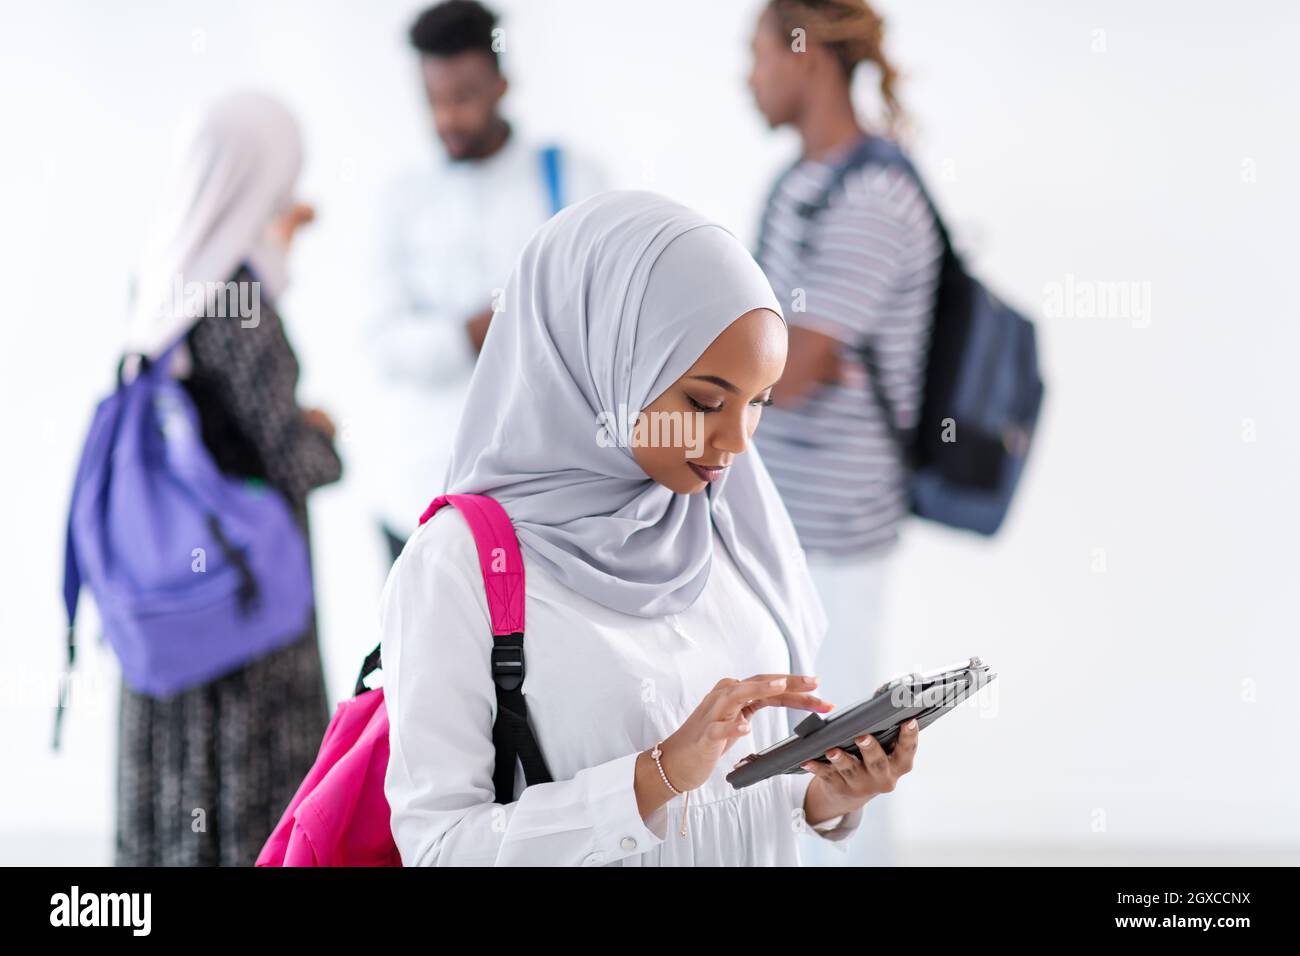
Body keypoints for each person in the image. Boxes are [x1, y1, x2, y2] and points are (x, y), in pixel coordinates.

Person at [379, 190, 921, 866]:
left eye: (758, 403)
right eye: (704, 400)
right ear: (601, 356)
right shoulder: (455, 566)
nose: (735, 443)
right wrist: (655, 775)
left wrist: (832, 798)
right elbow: (438, 847)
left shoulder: (722, 525)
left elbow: (737, 792)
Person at [115, 91, 342, 866]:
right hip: (245, 611)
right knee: (251, 804)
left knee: (183, 797)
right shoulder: (236, 297)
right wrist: (325, 437)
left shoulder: (161, 275)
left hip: (178, 597)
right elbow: (287, 455)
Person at [746, 0, 944, 866]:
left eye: (757, 54)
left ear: (807, 57)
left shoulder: (873, 195)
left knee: (849, 757)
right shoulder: (801, 184)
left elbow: (792, 368)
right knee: (800, 757)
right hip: (785, 524)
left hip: (837, 530)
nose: (747, 75)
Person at [359, 0, 606, 564]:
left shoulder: (572, 179)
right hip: (419, 494)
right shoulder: (401, 199)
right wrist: (473, 332)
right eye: (434, 100)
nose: (448, 118)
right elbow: (380, 339)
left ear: (501, 82)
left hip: (546, 496)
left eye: (464, 97)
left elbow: (609, 317)